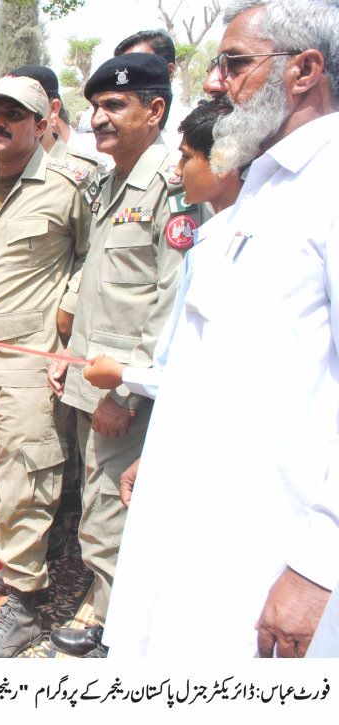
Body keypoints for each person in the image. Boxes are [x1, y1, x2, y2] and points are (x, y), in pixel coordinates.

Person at [104, 0, 339, 658]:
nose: (214, 82)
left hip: (268, 552)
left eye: (234, 64)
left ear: (305, 71)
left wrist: (319, 566)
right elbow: (220, 356)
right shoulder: (257, 185)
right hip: (191, 521)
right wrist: (165, 448)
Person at [45, 53, 207, 657]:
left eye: (115, 106)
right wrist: (68, 350)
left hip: (127, 389)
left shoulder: (172, 184)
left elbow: (172, 299)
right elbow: (98, 276)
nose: (99, 119)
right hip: (93, 370)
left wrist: (126, 392)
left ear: (156, 110)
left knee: (114, 501)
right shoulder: (108, 180)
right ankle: (103, 599)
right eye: (96, 107)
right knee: (95, 491)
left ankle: (111, 626)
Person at [0, 75, 90, 656]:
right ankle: (15, 565)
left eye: (13, 113)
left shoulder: (70, 183)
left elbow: (88, 258)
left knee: (28, 478)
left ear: (42, 120)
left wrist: (66, 317)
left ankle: (27, 603)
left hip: (31, 359)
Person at [84, 98, 240, 397]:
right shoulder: (214, 234)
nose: (178, 170)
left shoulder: (243, 239)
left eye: (186, 158)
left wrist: (128, 383)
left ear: (224, 162)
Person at [115, 29, 194, 148]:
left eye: (138, 69)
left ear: (169, 72)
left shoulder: (190, 127)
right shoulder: (110, 126)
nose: (127, 78)